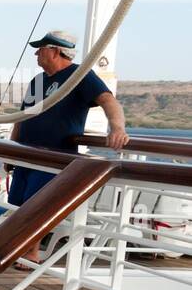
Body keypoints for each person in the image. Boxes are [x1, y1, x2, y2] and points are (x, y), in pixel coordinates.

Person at [10, 29, 129, 262]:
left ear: (55, 51)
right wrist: (12, 150)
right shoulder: (38, 81)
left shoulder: (80, 75)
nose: (36, 54)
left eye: (41, 49)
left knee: (37, 205)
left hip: (54, 156)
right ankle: (19, 249)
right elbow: (23, 116)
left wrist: (117, 128)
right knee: (19, 204)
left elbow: (108, 100)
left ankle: (31, 254)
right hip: (26, 153)